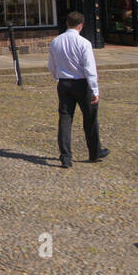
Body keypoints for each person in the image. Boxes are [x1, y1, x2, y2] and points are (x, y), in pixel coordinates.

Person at [46, 11, 106, 168]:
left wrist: (57, 77)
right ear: (80, 25)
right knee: (90, 118)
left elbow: (51, 66)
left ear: (67, 23)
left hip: (64, 83)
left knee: (65, 119)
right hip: (82, 83)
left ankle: (66, 157)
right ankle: (94, 152)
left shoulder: (55, 42)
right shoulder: (84, 43)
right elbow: (89, 68)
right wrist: (95, 90)